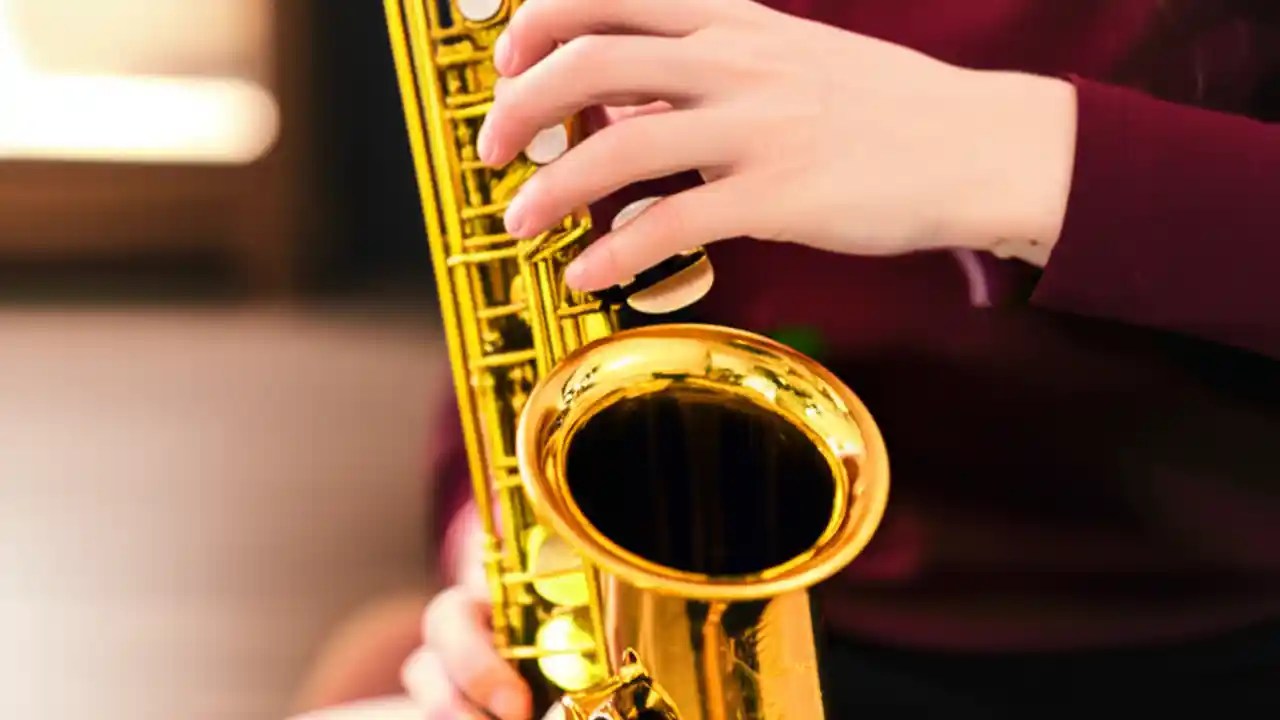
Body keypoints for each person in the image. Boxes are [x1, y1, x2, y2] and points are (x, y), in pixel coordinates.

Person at [401, 0, 1280, 717]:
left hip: (1225, 632)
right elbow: (528, 260)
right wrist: (514, 539)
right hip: (754, 631)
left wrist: (1018, 152)